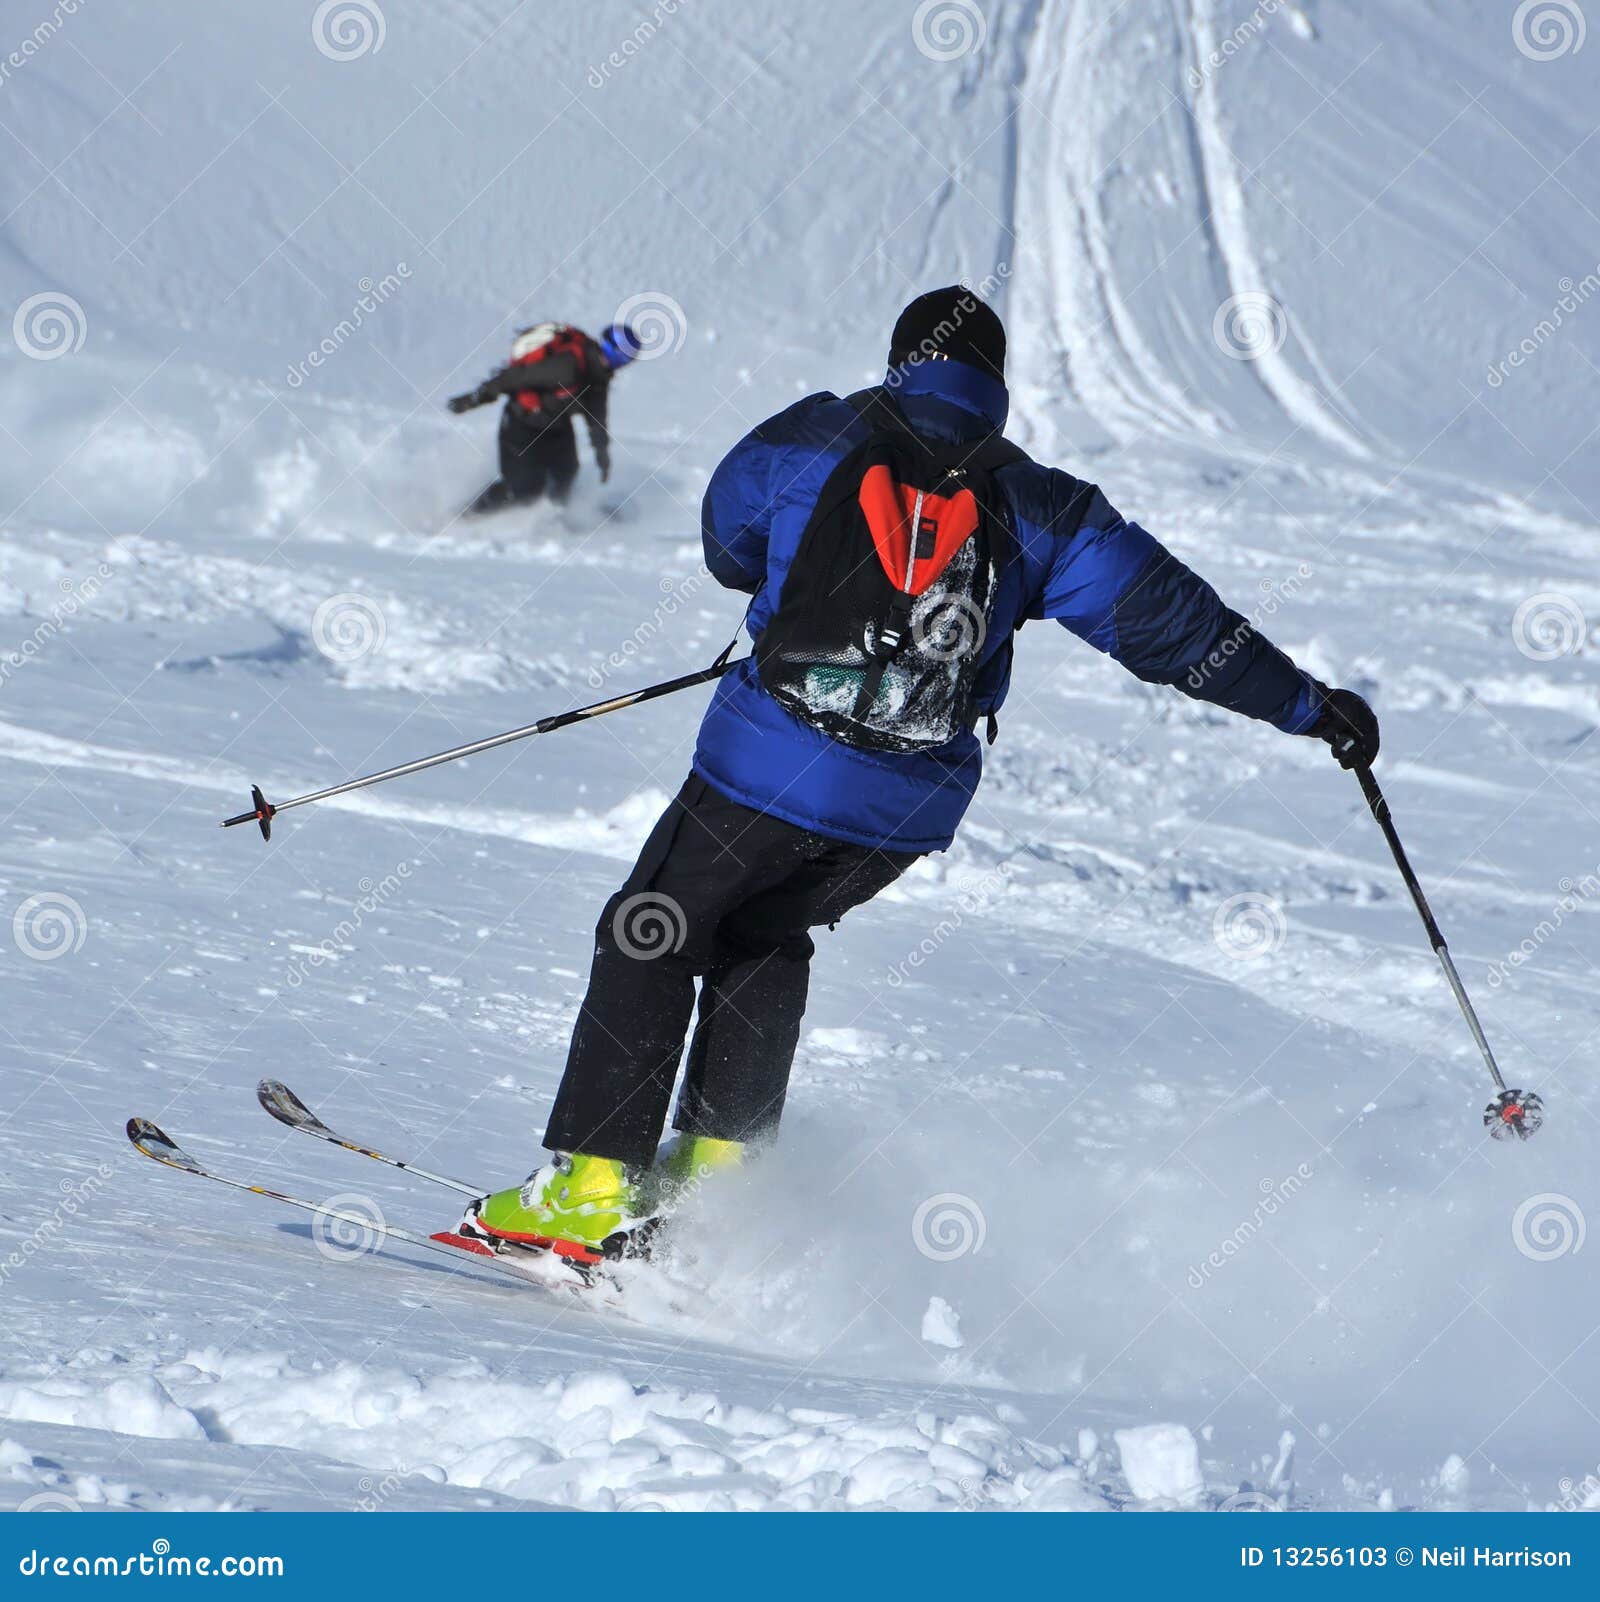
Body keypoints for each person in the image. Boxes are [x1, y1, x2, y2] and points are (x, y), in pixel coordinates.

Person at [455, 286, 1379, 1267]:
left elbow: (728, 543)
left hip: (765, 764)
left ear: (902, 359)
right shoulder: (1044, 505)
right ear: (997, 384)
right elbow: (1181, 632)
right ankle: (720, 1186)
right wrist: (1310, 706)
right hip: (903, 808)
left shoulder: (814, 435)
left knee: (654, 925)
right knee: (767, 931)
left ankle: (589, 1188)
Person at [449, 321, 640, 512]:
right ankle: (468, 516)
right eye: (628, 359)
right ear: (619, 356)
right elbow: (514, 378)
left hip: (557, 426)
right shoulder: (568, 366)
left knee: (566, 476)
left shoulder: (599, 377)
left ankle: (558, 524)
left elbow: (596, 418)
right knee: (523, 488)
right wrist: (473, 399)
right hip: (522, 424)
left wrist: (602, 454)